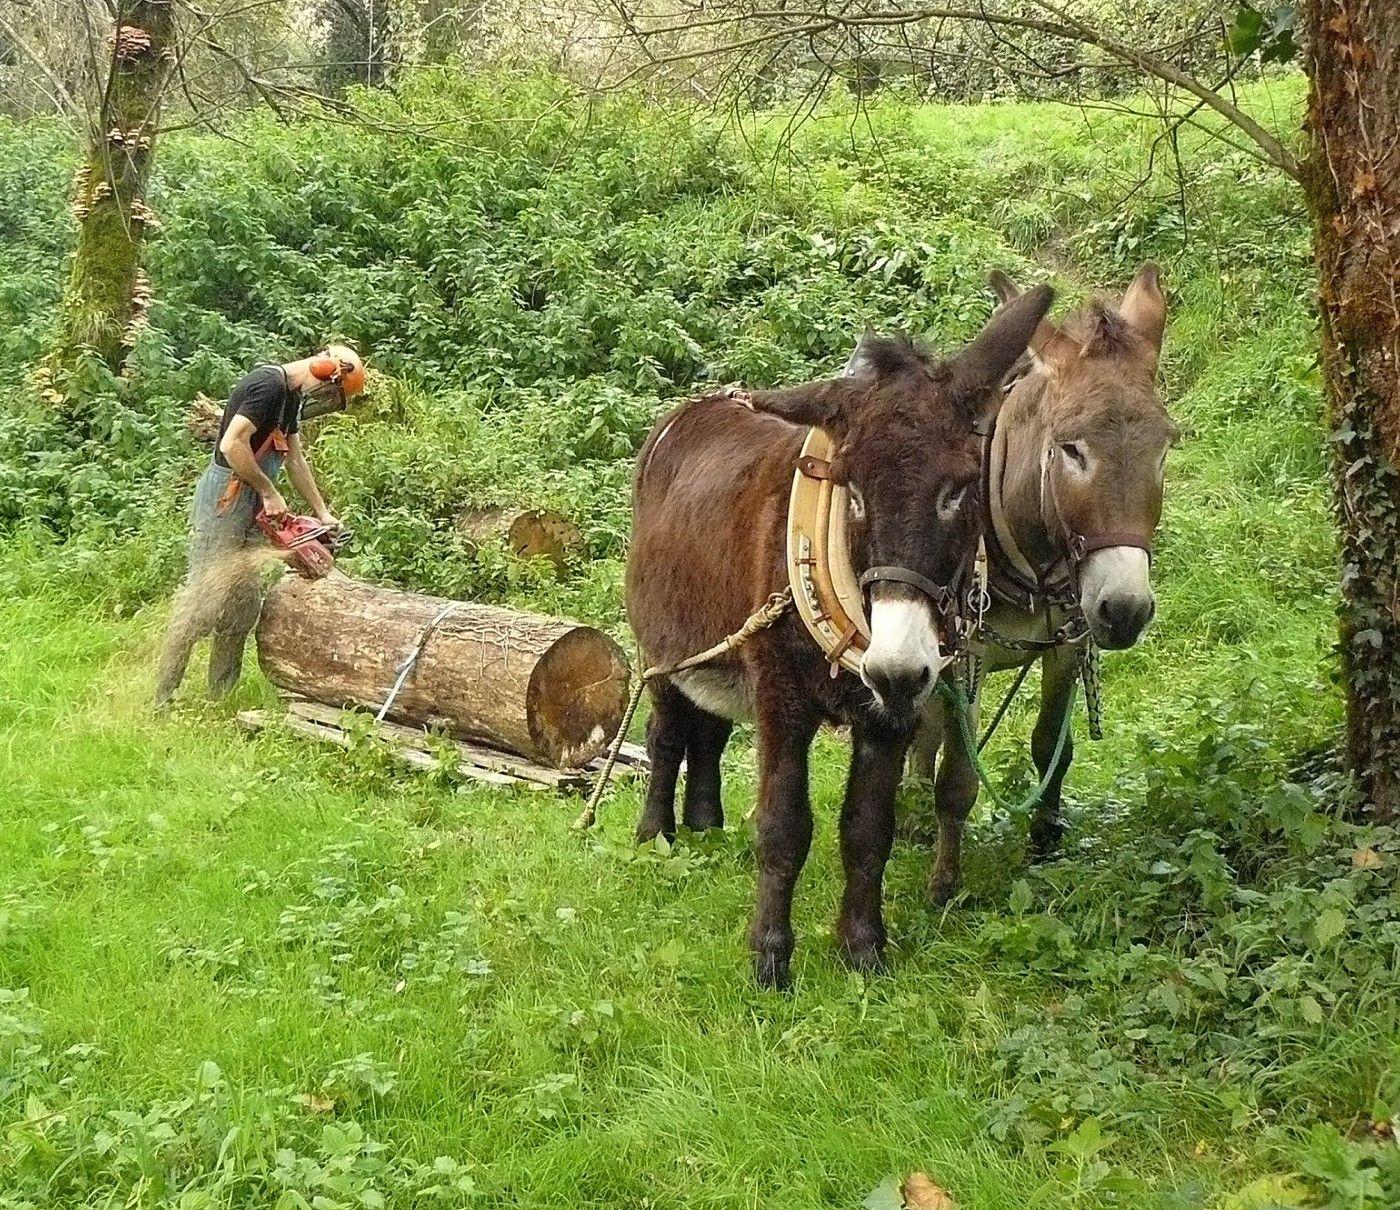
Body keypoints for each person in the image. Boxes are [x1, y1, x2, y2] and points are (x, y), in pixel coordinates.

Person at [155, 344, 367, 706]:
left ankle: (220, 697)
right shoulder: (267, 386)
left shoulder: (291, 398)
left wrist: (322, 512)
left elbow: (295, 460)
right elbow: (231, 444)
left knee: (242, 602)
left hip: (253, 498)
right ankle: (164, 696)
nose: (327, 400)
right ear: (325, 371)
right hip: (226, 496)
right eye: (332, 393)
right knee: (205, 598)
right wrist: (268, 491)